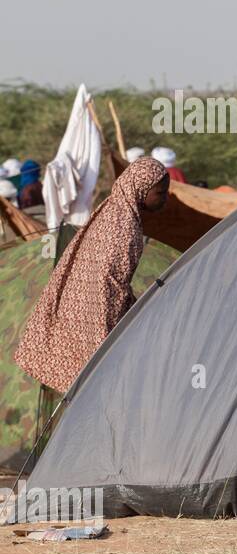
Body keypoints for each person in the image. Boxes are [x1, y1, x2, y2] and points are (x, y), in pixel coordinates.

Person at [13, 159, 170, 395]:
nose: (165, 197)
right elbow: (109, 286)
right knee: (94, 391)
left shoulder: (111, 210)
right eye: (161, 192)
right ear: (141, 188)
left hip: (77, 319)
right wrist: (106, 341)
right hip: (94, 323)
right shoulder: (125, 227)